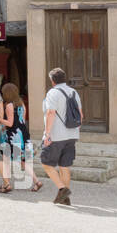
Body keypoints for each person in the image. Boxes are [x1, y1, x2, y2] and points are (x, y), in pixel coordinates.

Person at [41, 67, 83, 205]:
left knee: (46, 164)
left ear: (52, 80)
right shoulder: (74, 92)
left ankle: (62, 189)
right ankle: (65, 198)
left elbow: (51, 113)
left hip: (57, 135)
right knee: (65, 166)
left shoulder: (53, 93)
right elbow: (80, 115)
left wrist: (47, 134)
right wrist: (75, 131)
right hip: (72, 134)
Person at [1, 82, 43, 192]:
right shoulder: (22, 104)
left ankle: (6, 184)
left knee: (6, 160)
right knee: (23, 161)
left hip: (13, 136)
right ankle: (37, 181)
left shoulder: (9, 106)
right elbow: (22, 121)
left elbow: (10, 123)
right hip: (23, 134)